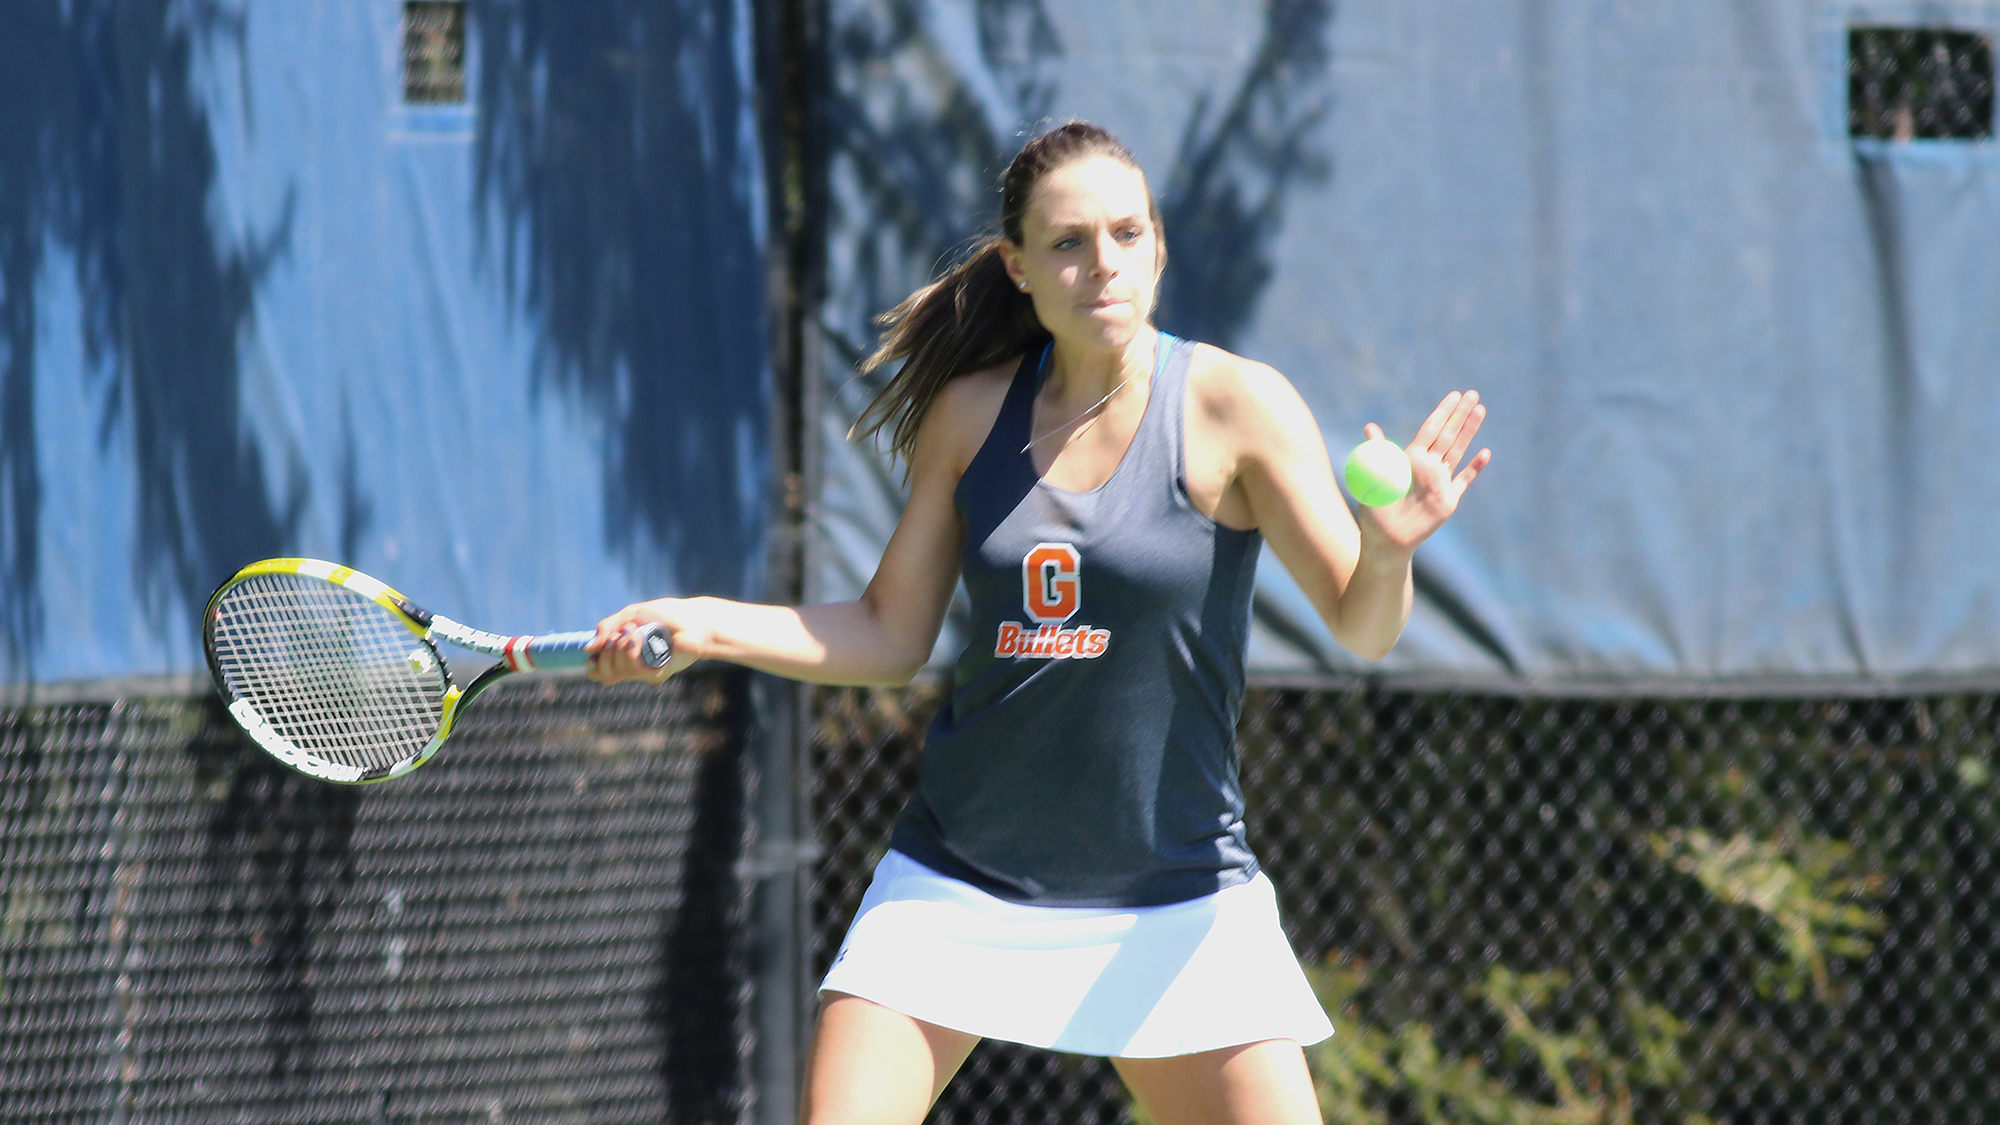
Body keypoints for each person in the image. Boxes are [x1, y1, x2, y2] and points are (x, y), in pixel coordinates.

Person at [589, 121, 1490, 1125]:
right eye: (1067, 242)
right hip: (957, 884)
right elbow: (890, 634)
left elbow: (1362, 628)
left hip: (1175, 899)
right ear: (1016, 266)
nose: (1101, 263)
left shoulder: (1237, 407)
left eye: (1125, 234)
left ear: (1156, 244)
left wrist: (1387, 551)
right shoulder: (970, 415)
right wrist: (703, 626)